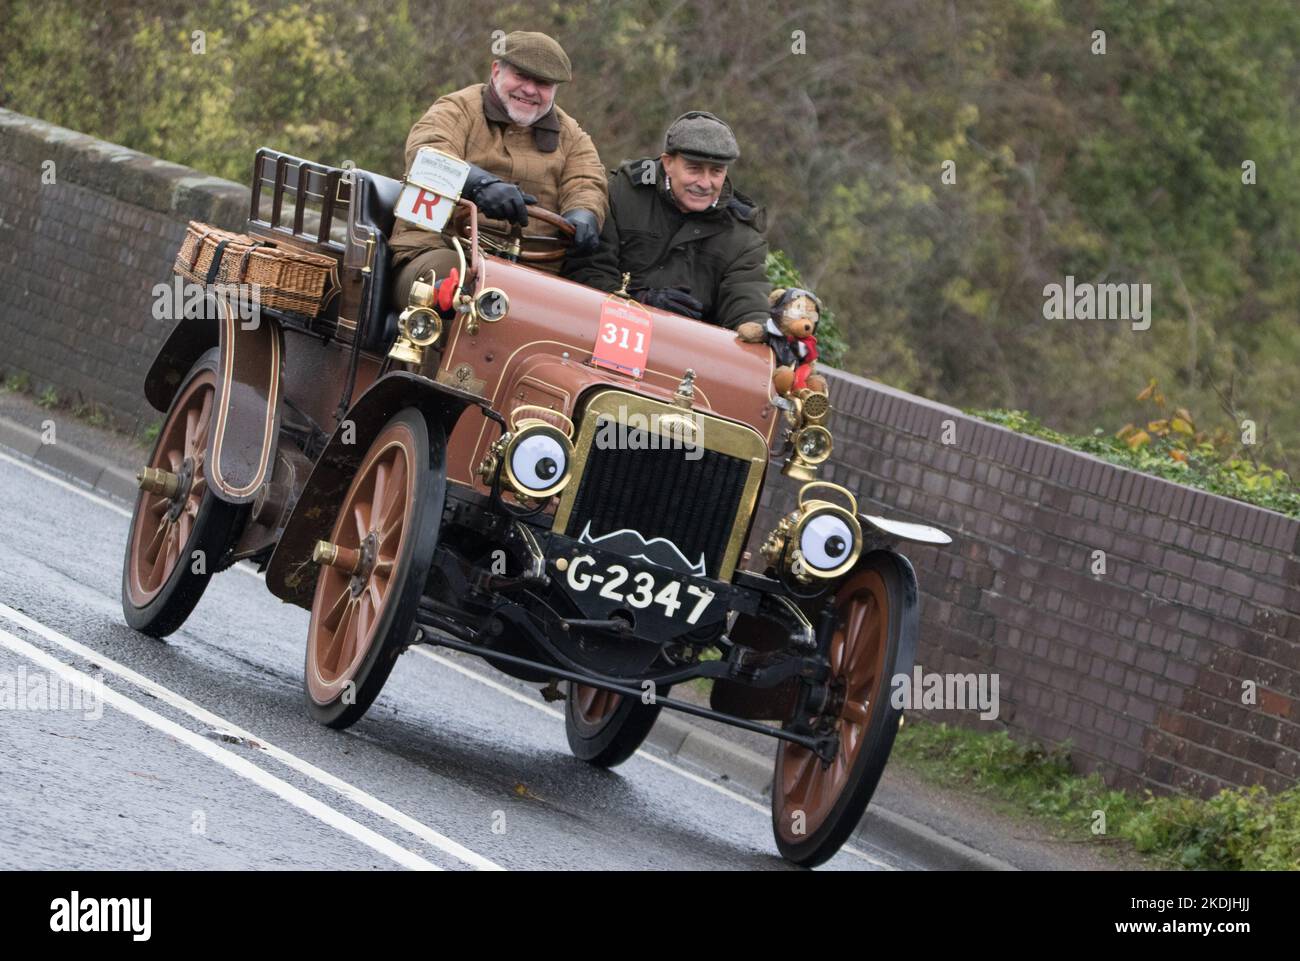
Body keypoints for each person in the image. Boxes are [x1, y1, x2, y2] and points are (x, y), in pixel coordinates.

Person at [389, 31, 608, 299]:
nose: (529, 89)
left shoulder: (572, 136)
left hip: (535, 271)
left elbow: (587, 182)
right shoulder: (457, 108)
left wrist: (583, 216)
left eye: (542, 83)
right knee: (464, 294)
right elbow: (427, 154)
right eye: (521, 76)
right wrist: (479, 184)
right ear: (496, 71)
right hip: (440, 249)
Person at [562, 110, 770, 329]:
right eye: (695, 169)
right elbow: (586, 268)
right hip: (603, 327)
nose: (705, 183)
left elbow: (748, 302)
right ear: (668, 163)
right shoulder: (625, 193)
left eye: (716, 172)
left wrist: (759, 330)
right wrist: (640, 303)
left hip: (688, 350)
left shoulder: (741, 234)